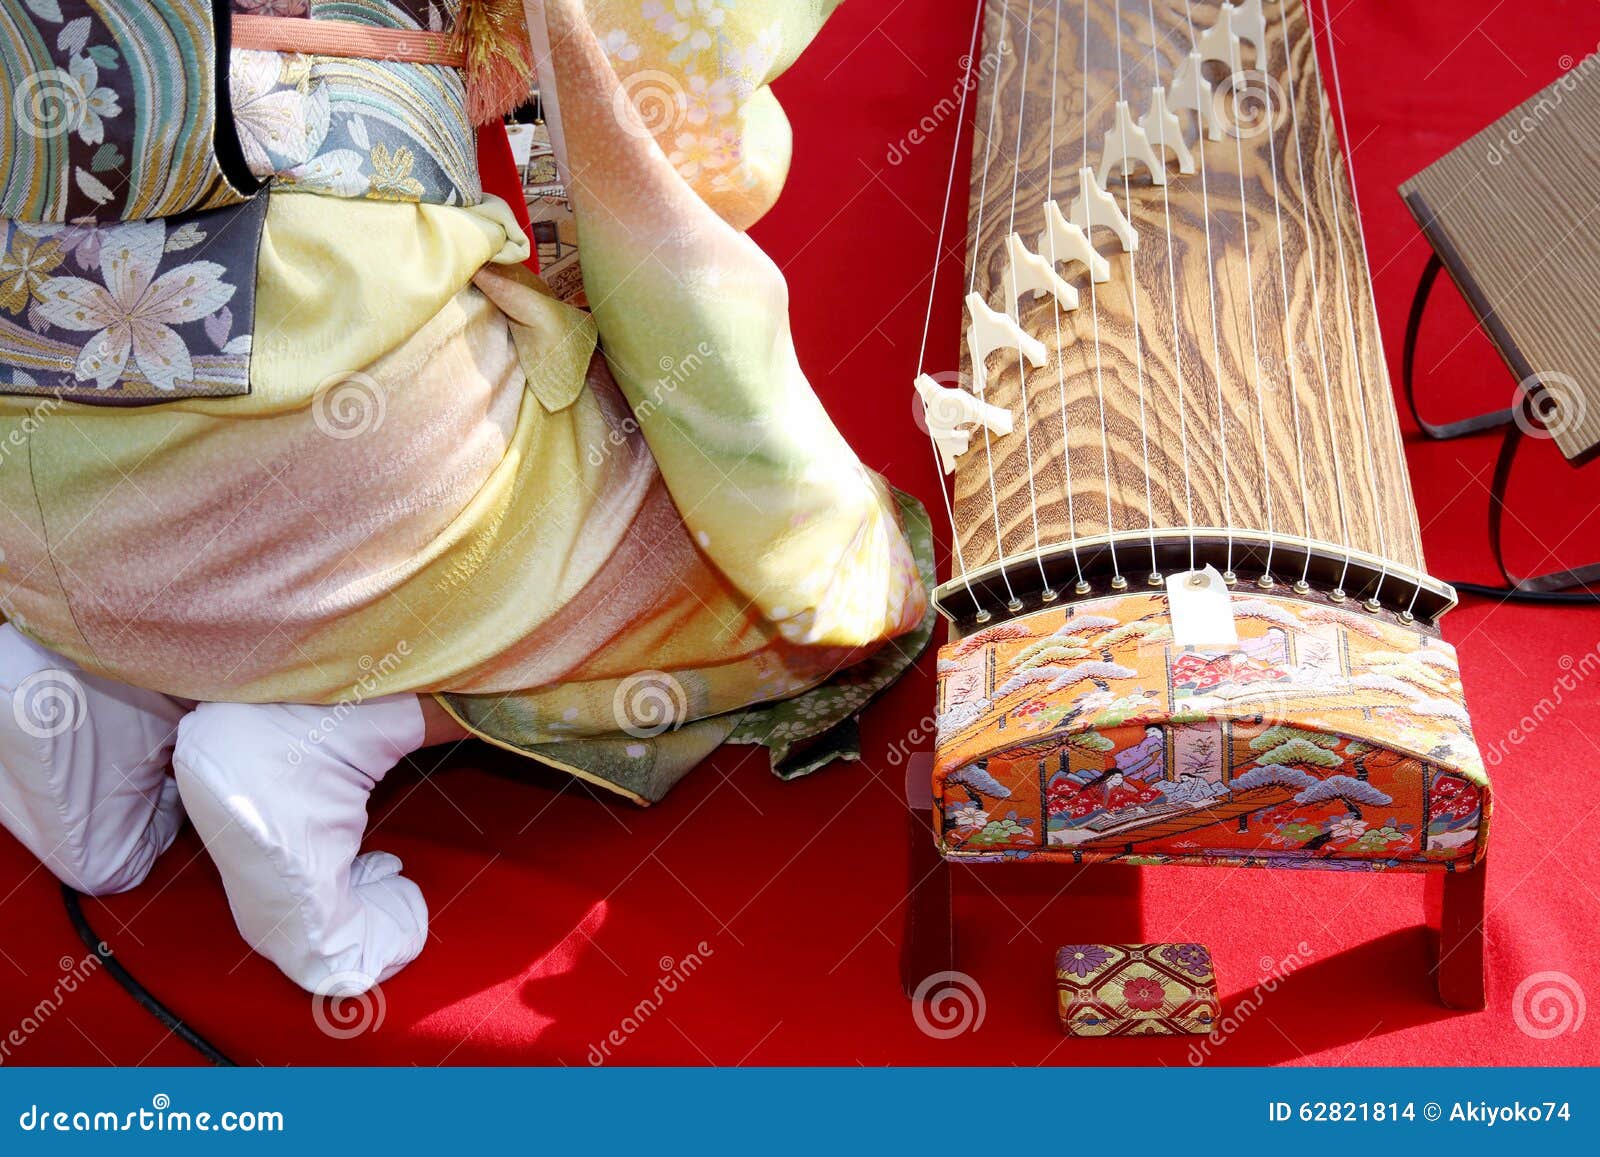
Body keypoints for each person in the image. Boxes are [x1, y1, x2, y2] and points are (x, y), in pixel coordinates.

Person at [0, 0, 927, 995]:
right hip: (346, 457)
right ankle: (328, 735)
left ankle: (79, 688)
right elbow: (672, 94)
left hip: (33, 475)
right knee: (775, 586)